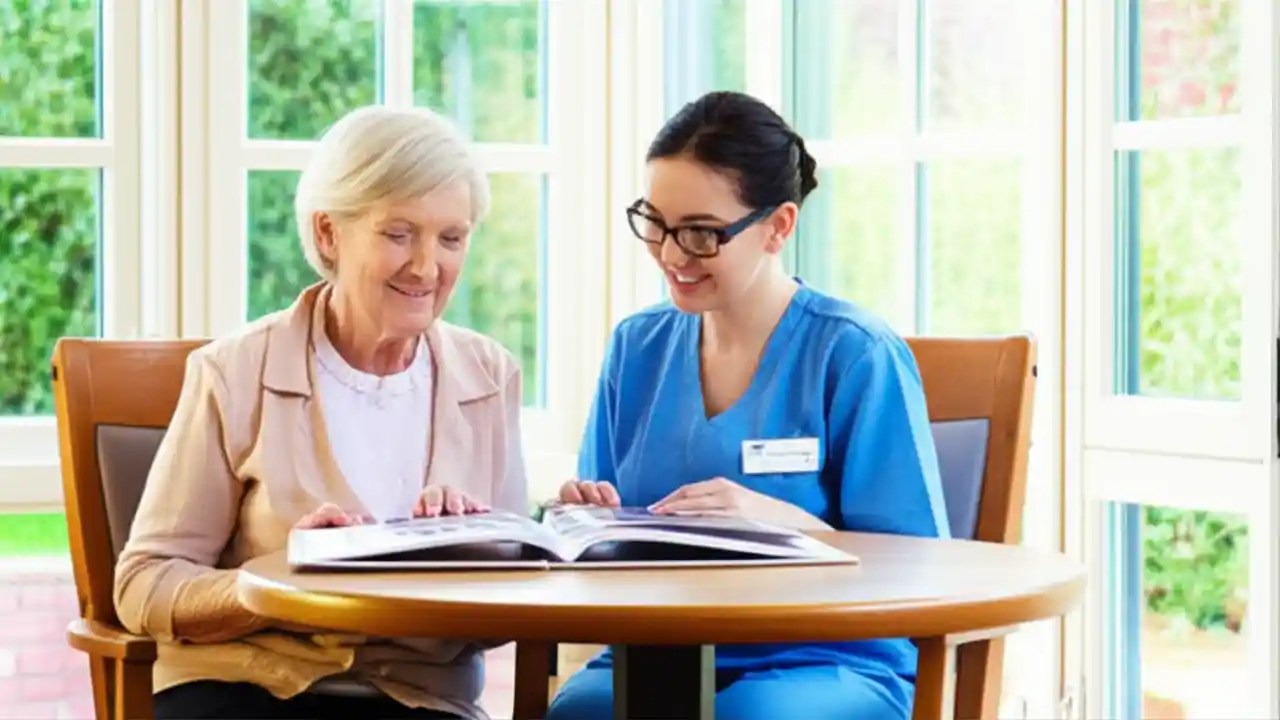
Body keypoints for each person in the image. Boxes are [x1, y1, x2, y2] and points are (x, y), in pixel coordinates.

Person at [547, 91, 951, 720]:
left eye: (702, 233)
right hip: (656, 649)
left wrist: (783, 521)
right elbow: (601, 531)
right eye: (655, 223)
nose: (672, 255)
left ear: (778, 226)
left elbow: (919, 568)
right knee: (585, 711)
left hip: (829, 660)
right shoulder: (636, 348)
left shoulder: (855, 355)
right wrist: (584, 518)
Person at [113, 105, 527, 720]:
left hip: (418, 699)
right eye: (398, 233)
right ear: (329, 233)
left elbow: (514, 601)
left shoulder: (489, 376)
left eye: (451, 238)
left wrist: (476, 552)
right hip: (243, 688)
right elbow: (143, 585)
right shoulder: (233, 372)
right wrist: (284, 581)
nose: (426, 266)